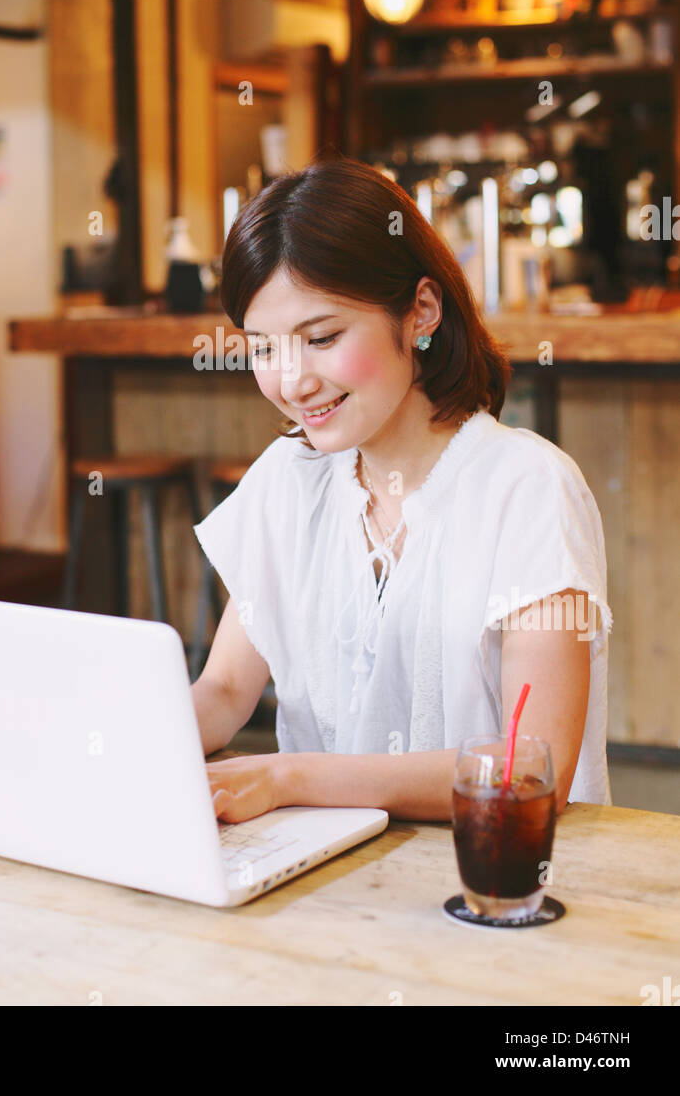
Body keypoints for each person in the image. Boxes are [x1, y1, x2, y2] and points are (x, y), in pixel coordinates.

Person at [191, 157, 612, 824]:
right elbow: (223, 689)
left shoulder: (527, 488)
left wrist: (288, 777)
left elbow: (533, 765)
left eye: (322, 337)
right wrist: (118, 737)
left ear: (420, 311)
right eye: (263, 348)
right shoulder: (287, 479)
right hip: (328, 878)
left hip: (499, 883)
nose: (292, 381)